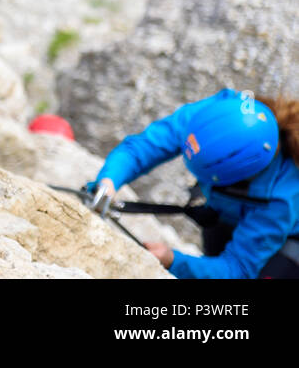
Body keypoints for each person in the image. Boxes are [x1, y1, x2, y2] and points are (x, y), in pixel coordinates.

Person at [88, 88, 299, 278]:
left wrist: (173, 260)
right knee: (214, 243)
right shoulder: (216, 115)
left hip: (289, 242)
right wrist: (109, 181)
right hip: (227, 210)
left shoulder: (280, 199)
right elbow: (144, 147)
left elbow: (238, 268)